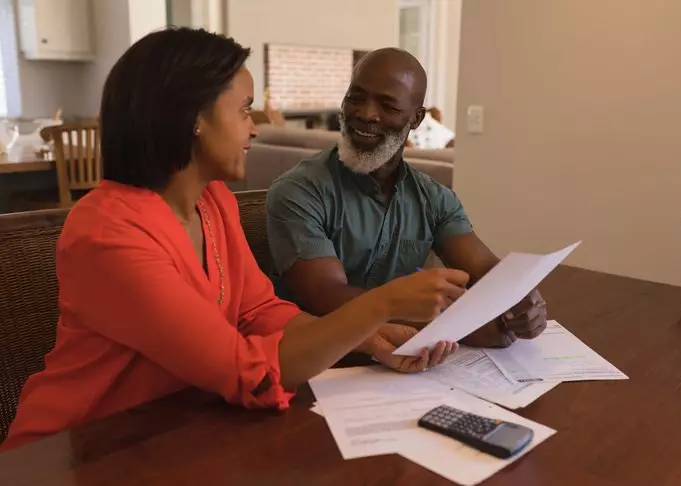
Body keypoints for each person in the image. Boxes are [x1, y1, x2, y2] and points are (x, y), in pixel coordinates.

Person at [0, 31, 468, 451]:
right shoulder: (107, 234)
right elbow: (245, 369)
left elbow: (259, 311)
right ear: (193, 119)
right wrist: (381, 305)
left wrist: (370, 338)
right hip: (75, 452)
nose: (254, 127)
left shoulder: (214, 202)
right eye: (244, 109)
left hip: (172, 434)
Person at [266, 48, 548, 355]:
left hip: (403, 365)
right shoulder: (299, 191)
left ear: (416, 119)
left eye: (387, 105)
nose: (366, 114)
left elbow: (486, 270)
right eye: (356, 97)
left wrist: (521, 300)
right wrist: (459, 327)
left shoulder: (434, 198)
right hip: (318, 364)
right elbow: (325, 296)